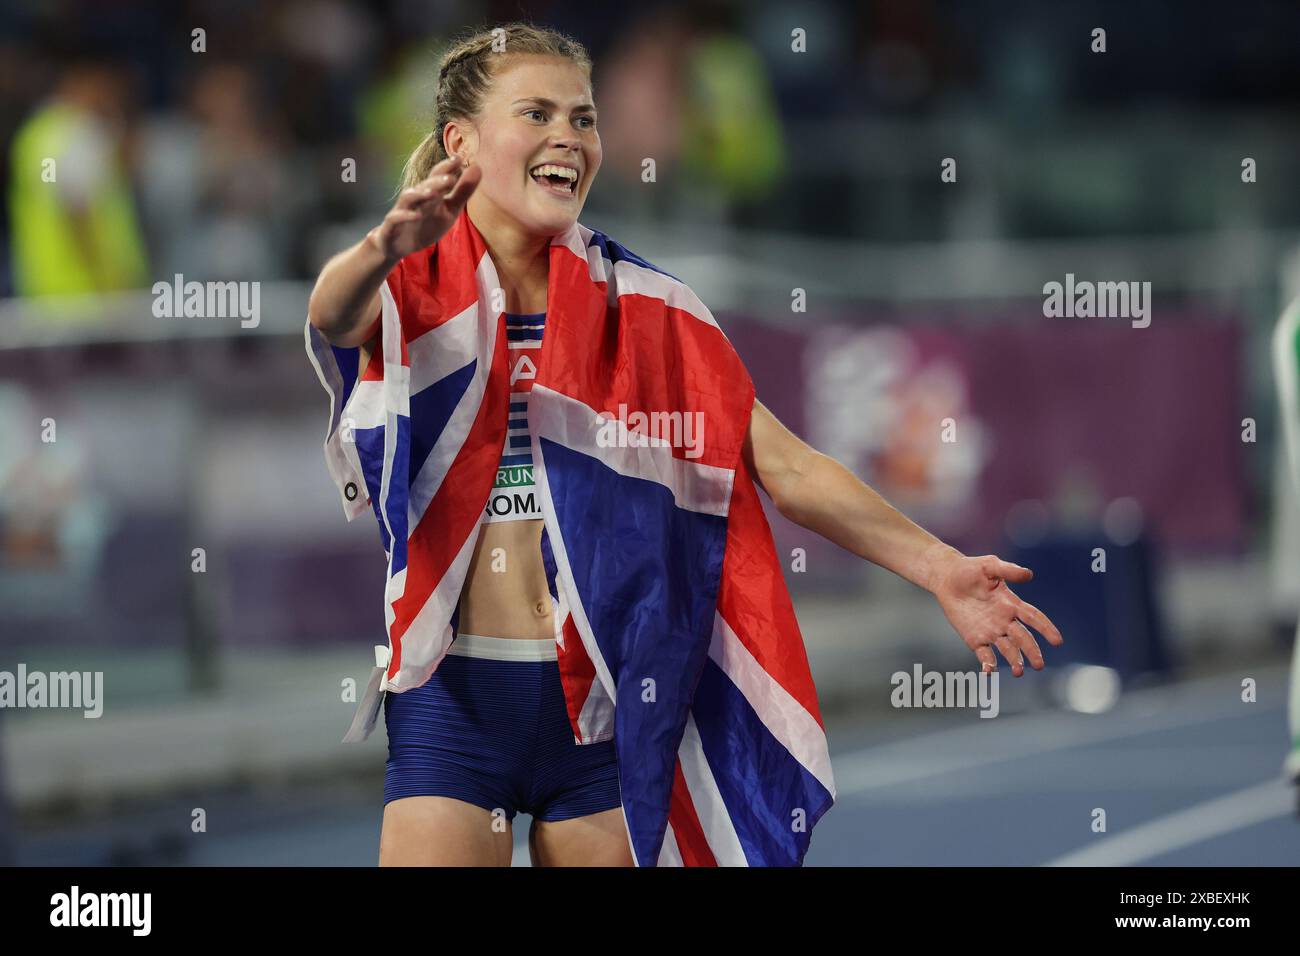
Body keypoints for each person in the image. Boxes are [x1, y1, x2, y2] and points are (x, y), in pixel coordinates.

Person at [307, 22, 1064, 867]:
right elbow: (333, 315)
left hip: (594, 711)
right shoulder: (410, 289)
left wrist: (939, 569)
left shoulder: (650, 312)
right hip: (458, 704)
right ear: (462, 142)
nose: (569, 137)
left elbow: (788, 468)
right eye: (538, 112)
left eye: (585, 119)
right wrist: (384, 244)